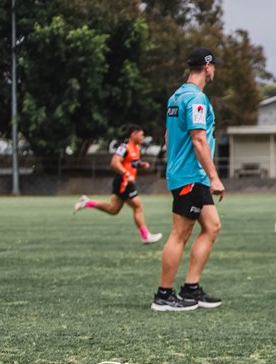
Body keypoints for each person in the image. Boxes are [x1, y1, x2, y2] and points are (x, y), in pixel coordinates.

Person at [152, 47, 225, 312]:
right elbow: (198, 139)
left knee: (212, 226)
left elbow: (167, 137)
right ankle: (163, 295)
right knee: (180, 234)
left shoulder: (176, 96)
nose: (214, 69)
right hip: (191, 176)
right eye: (213, 66)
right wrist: (215, 177)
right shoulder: (196, 99)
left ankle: (191, 288)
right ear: (207, 67)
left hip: (190, 175)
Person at [73, 124, 163, 244]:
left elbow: (130, 162)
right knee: (138, 206)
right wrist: (126, 174)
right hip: (123, 182)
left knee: (113, 209)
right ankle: (145, 236)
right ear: (133, 134)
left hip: (123, 181)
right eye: (141, 134)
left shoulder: (136, 147)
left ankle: (87, 203)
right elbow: (115, 162)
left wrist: (140, 164)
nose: (143, 137)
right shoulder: (124, 147)